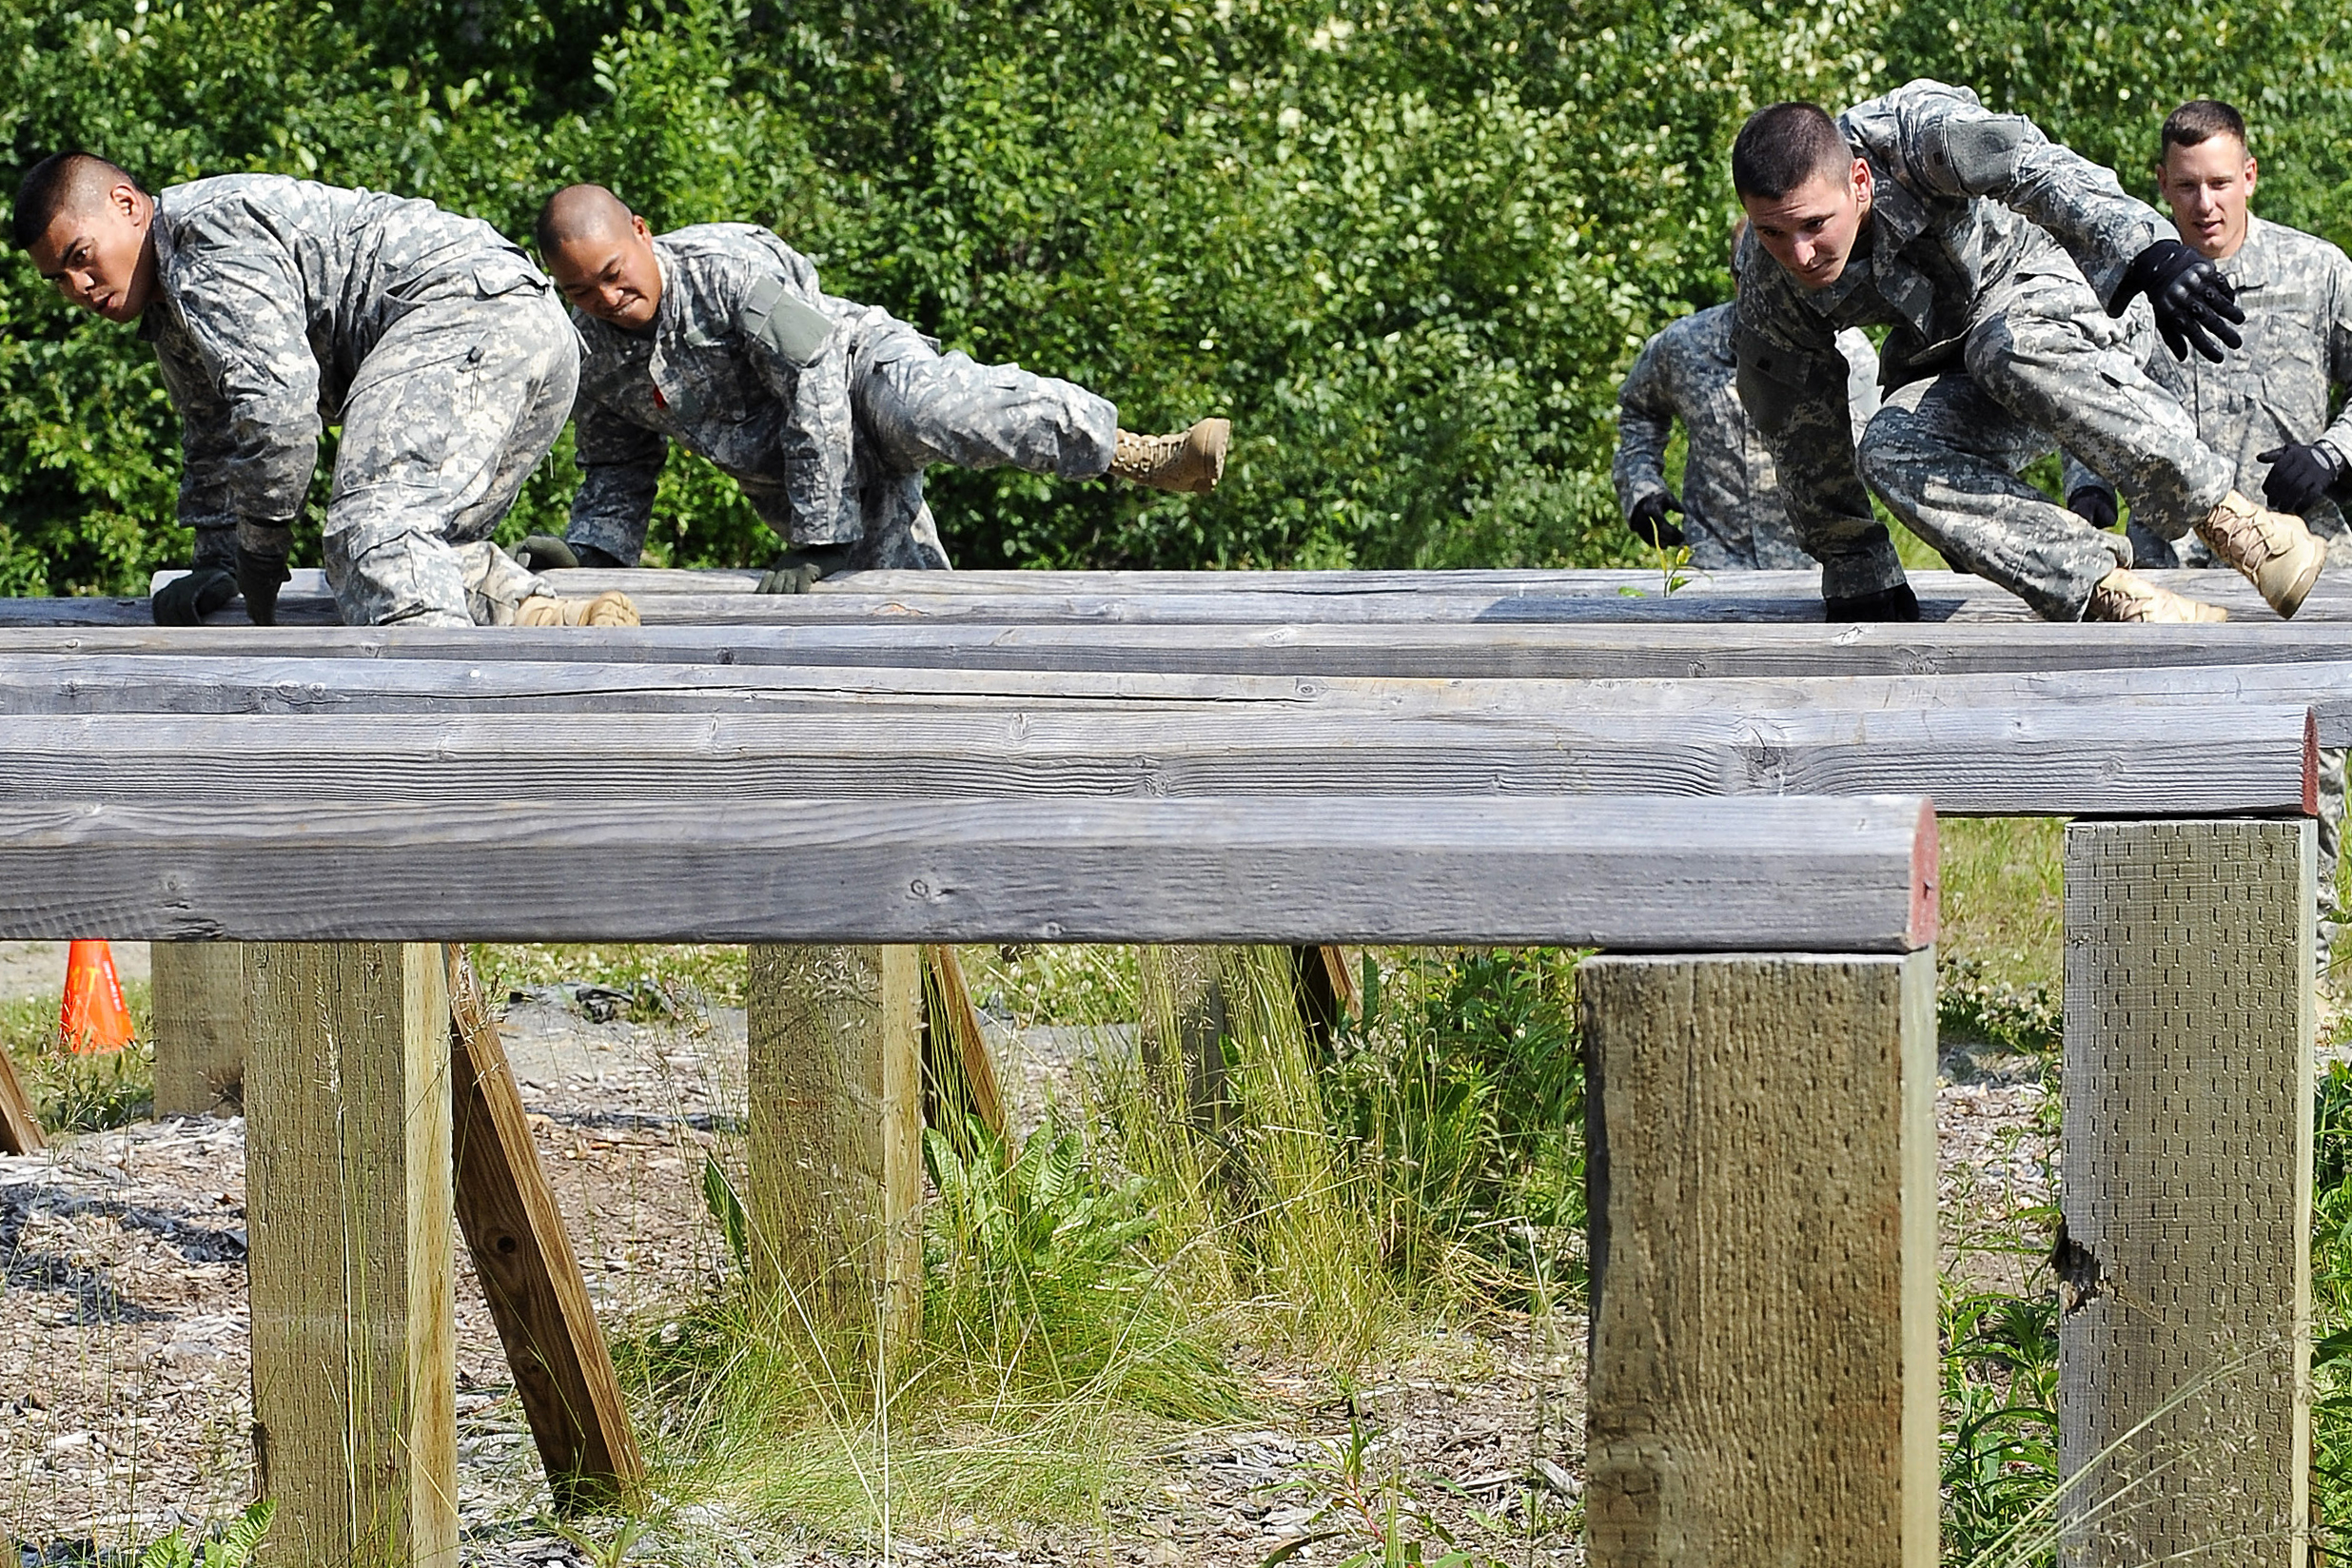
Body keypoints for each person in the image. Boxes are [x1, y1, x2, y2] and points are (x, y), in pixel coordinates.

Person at [1729, 81, 2326, 624]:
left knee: (2000, 345)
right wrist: (1853, 562)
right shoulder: (1767, 281)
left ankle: (2237, 522)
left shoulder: (1915, 136)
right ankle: (2106, 590)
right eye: (1773, 232)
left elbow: (2036, 165)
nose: (1799, 254)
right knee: (1888, 448)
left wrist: (2149, 250)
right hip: (1960, 365)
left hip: (2066, 313)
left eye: (1815, 224)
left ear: (1859, 183)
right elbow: (1797, 423)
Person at [11, 154, 636, 628]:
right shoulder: (169, 303)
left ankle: (431, 731)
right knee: (423, 548)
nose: (79, 286)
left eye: (81, 255)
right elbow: (215, 432)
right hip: (526, 328)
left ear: (126, 204)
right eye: (58, 278)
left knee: (374, 535)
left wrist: (260, 546)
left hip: (468, 314)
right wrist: (218, 561)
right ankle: (545, 621)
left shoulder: (206, 240)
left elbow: (277, 413)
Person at [522, 185, 1228, 588]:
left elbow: (815, 377)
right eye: (580, 290)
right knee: (901, 609)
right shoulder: (587, 347)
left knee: (936, 412)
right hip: (796, 476)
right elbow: (617, 463)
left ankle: (1135, 452)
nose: (606, 298)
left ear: (642, 232)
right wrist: (593, 558)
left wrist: (819, 536)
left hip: (859, 377)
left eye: (613, 273)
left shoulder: (729, 270)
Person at [2061, 99, 2352, 959]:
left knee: (2306, 761)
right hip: (2167, 576)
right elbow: (2081, 401)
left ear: (2250, 176)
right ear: (2162, 184)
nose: (2205, 203)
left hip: (2295, 569)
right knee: (2159, 757)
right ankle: (2172, 956)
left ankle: (2304, 957)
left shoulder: (2317, 271)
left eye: (2221, 182)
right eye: (2186, 186)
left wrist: (2333, 453)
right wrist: (2087, 497)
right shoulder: (2127, 290)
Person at [1613, 223, 1879, 567]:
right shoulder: (1684, 346)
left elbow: (1867, 453)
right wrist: (1641, 487)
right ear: (1734, 276)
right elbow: (1639, 411)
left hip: (1818, 566)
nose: (1762, 288)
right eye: (1749, 275)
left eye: (1775, 275)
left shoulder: (1849, 352)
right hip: (1714, 563)